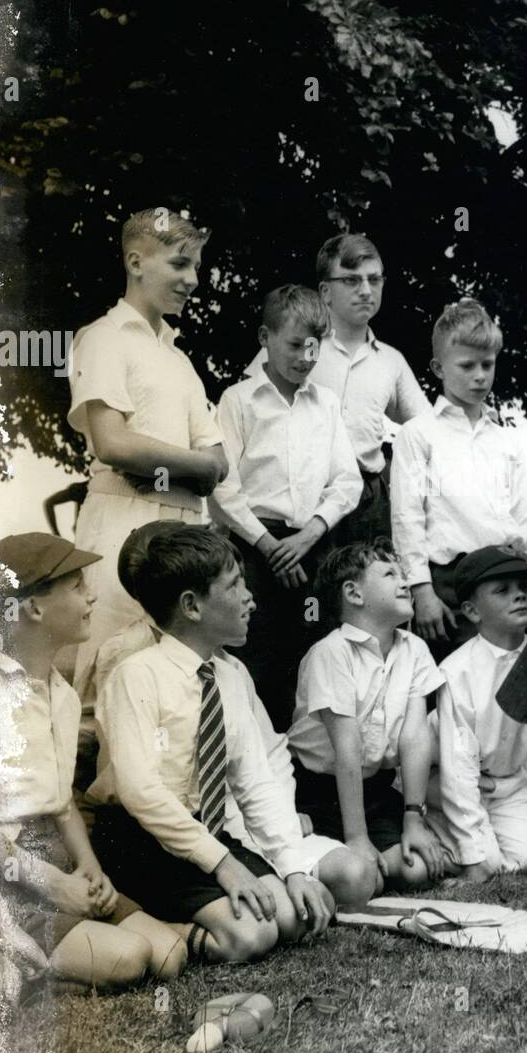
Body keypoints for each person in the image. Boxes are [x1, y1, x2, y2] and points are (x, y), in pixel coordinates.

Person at [90, 522, 375, 914]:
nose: (250, 599)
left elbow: (256, 774)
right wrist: (224, 862)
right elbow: (140, 789)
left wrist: (292, 866)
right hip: (146, 831)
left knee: (296, 913)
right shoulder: (134, 669)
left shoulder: (227, 675)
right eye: (235, 586)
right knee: (250, 933)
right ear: (191, 605)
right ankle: (158, 929)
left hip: (217, 826)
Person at [0, 533, 186, 990]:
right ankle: (9, 959)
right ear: (33, 608)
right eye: (77, 586)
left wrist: (88, 868)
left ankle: (35, 960)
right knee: (129, 958)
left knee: (170, 955)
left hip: (55, 855)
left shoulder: (64, 694)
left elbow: (62, 804)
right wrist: (54, 885)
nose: (92, 595)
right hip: (1, 868)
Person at [66, 209, 228, 708]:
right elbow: (112, 443)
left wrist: (183, 466)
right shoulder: (103, 338)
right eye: (180, 264)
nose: (192, 280)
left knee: (174, 686)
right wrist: (192, 466)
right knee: (111, 673)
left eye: (196, 267)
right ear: (136, 261)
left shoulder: (179, 360)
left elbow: (217, 461)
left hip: (183, 530)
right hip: (123, 525)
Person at [210, 284, 362, 728]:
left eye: (316, 346)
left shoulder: (326, 404)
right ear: (265, 338)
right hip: (254, 549)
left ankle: (305, 777)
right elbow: (223, 487)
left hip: (312, 545)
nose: (307, 357)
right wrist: (267, 545)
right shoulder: (239, 400)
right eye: (295, 345)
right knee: (253, 655)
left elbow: (347, 481)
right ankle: (251, 769)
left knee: (312, 654)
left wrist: (311, 532)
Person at [390, 297, 527, 659]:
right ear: (438, 368)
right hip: (449, 583)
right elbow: (407, 517)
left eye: (487, 364)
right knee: (451, 684)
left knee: (509, 678)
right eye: (466, 365)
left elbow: (525, 519)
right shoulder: (419, 435)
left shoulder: (505, 440)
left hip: (509, 575)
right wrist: (422, 591)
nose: (479, 375)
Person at [246, 233, 429, 542]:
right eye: (352, 281)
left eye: (374, 279)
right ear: (325, 291)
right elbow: (250, 410)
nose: (366, 290)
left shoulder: (391, 361)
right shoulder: (294, 347)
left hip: (366, 504)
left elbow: (427, 429)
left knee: (365, 585)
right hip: (301, 491)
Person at [288, 540, 446, 897]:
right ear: (353, 593)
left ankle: (360, 866)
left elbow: (415, 738)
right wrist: (358, 838)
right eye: (391, 574)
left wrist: (413, 819)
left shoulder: (415, 649)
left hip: (373, 790)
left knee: (416, 870)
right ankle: (330, 862)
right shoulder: (332, 652)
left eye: (404, 574)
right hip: (316, 791)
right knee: (361, 880)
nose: (405, 582)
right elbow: (348, 749)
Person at [425, 547, 527, 882]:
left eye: (524, 588)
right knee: (483, 861)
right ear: (471, 610)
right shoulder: (457, 672)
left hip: (509, 788)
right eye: (503, 591)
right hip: (446, 788)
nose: (520, 597)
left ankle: (487, 847)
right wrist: (474, 853)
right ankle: (438, 834)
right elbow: (457, 771)